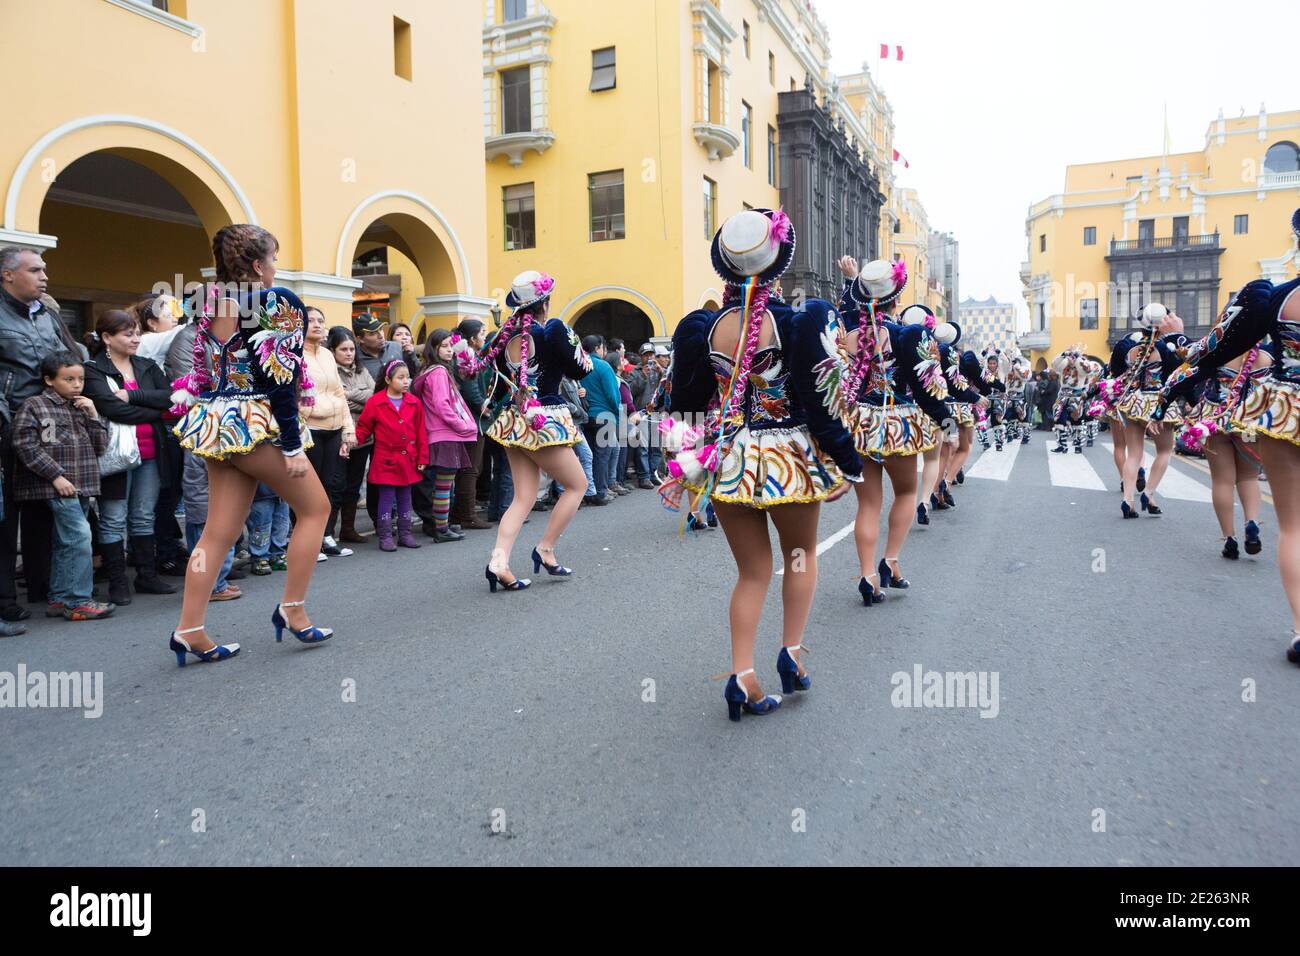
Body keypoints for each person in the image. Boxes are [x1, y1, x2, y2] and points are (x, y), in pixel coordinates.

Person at [665, 209, 862, 721]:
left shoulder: (702, 329)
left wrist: (684, 463)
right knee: (799, 557)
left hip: (730, 459)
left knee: (751, 573)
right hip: (788, 457)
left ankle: (742, 676)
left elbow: (682, 408)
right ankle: (791, 655)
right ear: (779, 264)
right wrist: (846, 462)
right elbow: (820, 407)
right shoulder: (800, 320)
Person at [167, 223, 332, 665]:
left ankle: (190, 629)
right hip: (257, 424)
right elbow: (280, 380)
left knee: (217, 532)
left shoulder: (209, 304)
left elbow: (205, 370)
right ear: (258, 265)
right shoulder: (273, 302)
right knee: (316, 509)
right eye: (273, 259)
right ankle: (292, 610)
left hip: (216, 424)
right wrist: (294, 446)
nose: (276, 268)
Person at [1154, 225, 1300, 663]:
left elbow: (1202, 354)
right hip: (1257, 417)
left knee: (1291, 525)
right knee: (1249, 479)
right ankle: (1249, 524)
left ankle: (1298, 627)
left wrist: (1173, 346)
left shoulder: (1277, 300)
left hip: (1277, 414)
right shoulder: (1265, 353)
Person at [454, 270, 593, 590]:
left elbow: (482, 373)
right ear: (545, 302)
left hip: (513, 421)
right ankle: (545, 549)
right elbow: (581, 368)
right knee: (577, 485)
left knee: (524, 496)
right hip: (543, 420)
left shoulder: (504, 335)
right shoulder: (552, 330)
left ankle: (499, 562)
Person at [837, 260, 950, 603]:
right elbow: (928, 387)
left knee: (868, 504)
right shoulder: (907, 335)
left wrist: (852, 281)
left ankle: (867, 575)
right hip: (899, 425)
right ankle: (891, 561)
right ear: (896, 300)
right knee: (905, 493)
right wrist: (946, 420)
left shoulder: (849, 337)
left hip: (861, 425)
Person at [0, 247, 83, 620]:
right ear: (8, 275)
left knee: (45, 509)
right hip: (10, 421)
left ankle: (43, 587)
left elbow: (70, 357)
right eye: (35, 270)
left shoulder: (48, 314)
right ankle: (5, 601)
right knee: (7, 516)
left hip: (53, 421)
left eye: (45, 269)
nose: (45, 276)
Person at [83, 309, 179, 605]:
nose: (136, 339)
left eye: (137, 333)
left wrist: (133, 396)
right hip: (114, 456)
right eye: (128, 334)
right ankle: (117, 582)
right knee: (113, 519)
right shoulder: (93, 369)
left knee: (143, 516)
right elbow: (112, 409)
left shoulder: (147, 366)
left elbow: (171, 398)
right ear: (107, 338)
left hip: (151, 453)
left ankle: (146, 576)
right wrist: (152, 411)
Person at [12, 351, 115, 621]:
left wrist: (93, 414)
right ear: (48, 380)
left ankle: (59, 597)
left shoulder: (81, 406)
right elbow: (25, 445)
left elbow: (101, 446)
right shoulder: (35, 405)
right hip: (55, 485)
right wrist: (56, 476)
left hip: (82, 483)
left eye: (80, 379)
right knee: (79, 537)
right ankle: (78, 600)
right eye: (68, 379)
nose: (76, 384)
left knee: (66, 541)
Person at [1175, 347, 1272, 558]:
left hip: (1215, 424)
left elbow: (1187, 373)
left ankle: (1230, 538)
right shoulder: (1267, 357)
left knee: (1222, 481)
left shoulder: (1218, 353)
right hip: (1249, 426)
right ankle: (1252, 523)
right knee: (1248, 477)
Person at [1111, 303, 1185, 518]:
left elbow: (1117, 373)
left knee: (1134, 454)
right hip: (1159, 403)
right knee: (1164, 451)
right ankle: (1149, 494)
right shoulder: (1166, 349)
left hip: (1134, 402)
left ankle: (1128, 500)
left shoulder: (1130, 349)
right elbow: (1178, 375)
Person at [411, 329, 476, 542]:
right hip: (445, 433)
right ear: (435, 348)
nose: (450, 350)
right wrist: (461, 424)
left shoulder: (428, 370)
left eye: (451, 346)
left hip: (438, 433)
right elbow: (442, 404)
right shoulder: (438, 372)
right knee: (444, 485)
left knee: (442, 484)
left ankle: (441, 527)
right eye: (445, 346)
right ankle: (441, 529)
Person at [355, 359, 426, 551]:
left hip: (408, 459)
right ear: (388, 379)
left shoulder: (414, 402)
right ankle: (385, 535)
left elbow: (421, 432)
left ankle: (405, 534)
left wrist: (422, 458)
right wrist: (352, 442)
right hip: (385, 460)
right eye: (400, 377)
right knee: (386, 498)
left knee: (405, 498)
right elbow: (363, 427)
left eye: (408, 377)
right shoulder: (375, 402)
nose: (406, 381)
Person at [301, 306, 355, 558]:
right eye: (310, 320)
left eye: (321, 320)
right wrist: (303, 415)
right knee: (311, 488)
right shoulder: (294, 355)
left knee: (333, 485)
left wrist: (348, 431)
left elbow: (338, 393)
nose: (317, 325)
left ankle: (326, 535)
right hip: (311, 428)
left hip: (334, 428)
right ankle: (307, 539)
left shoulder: (326, 355)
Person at [327, 326, 374, 544]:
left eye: (351, 349)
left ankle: (348, 529)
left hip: (364, 438)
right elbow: (336, 401)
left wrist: (348, 395)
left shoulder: (362, 371)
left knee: (354, 486)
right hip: (339, 438)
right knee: (336, 485)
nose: (349, 353)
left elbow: (374, 397)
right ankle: (328, 533)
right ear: (333, 351)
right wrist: (358, 398)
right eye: (343, 349)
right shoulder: (330, 371)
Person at [451, 318, 493, 531]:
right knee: (471, 468)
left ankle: (461, 513)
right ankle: (466, 515)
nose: (484, 337)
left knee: (471, 468)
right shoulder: (464, 356)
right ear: (472, 338)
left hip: (468, 418)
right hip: (471, 419)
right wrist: (483, 406)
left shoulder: (466, 353)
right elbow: (471, 388)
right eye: (482, 333)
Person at [580, 334, 623, 503]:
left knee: (588, 456)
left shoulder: (580, 365)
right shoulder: (603, 366)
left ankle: (589, 490)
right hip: (604, 415)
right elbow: (613, 395)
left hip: (585, 416)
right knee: (602, 456)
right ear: (598, 348)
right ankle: (600, 491)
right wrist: (617, 413)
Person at [353, 313, 405, 380]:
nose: (380, 336)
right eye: (373, 333)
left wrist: (411, 354)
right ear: (360, 339)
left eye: (381, 329)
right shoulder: (354, 358)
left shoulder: (396, 347)